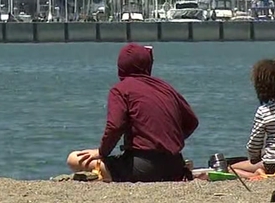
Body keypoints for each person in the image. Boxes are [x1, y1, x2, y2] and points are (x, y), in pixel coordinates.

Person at [66, 43, 199, 182]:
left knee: (74, 158)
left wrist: (101, 152)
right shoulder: (166, 88)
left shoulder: (121, 89)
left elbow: (115, 126)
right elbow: (192, 121)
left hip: (142, 168)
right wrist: (166, 141)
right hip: (175, 165)